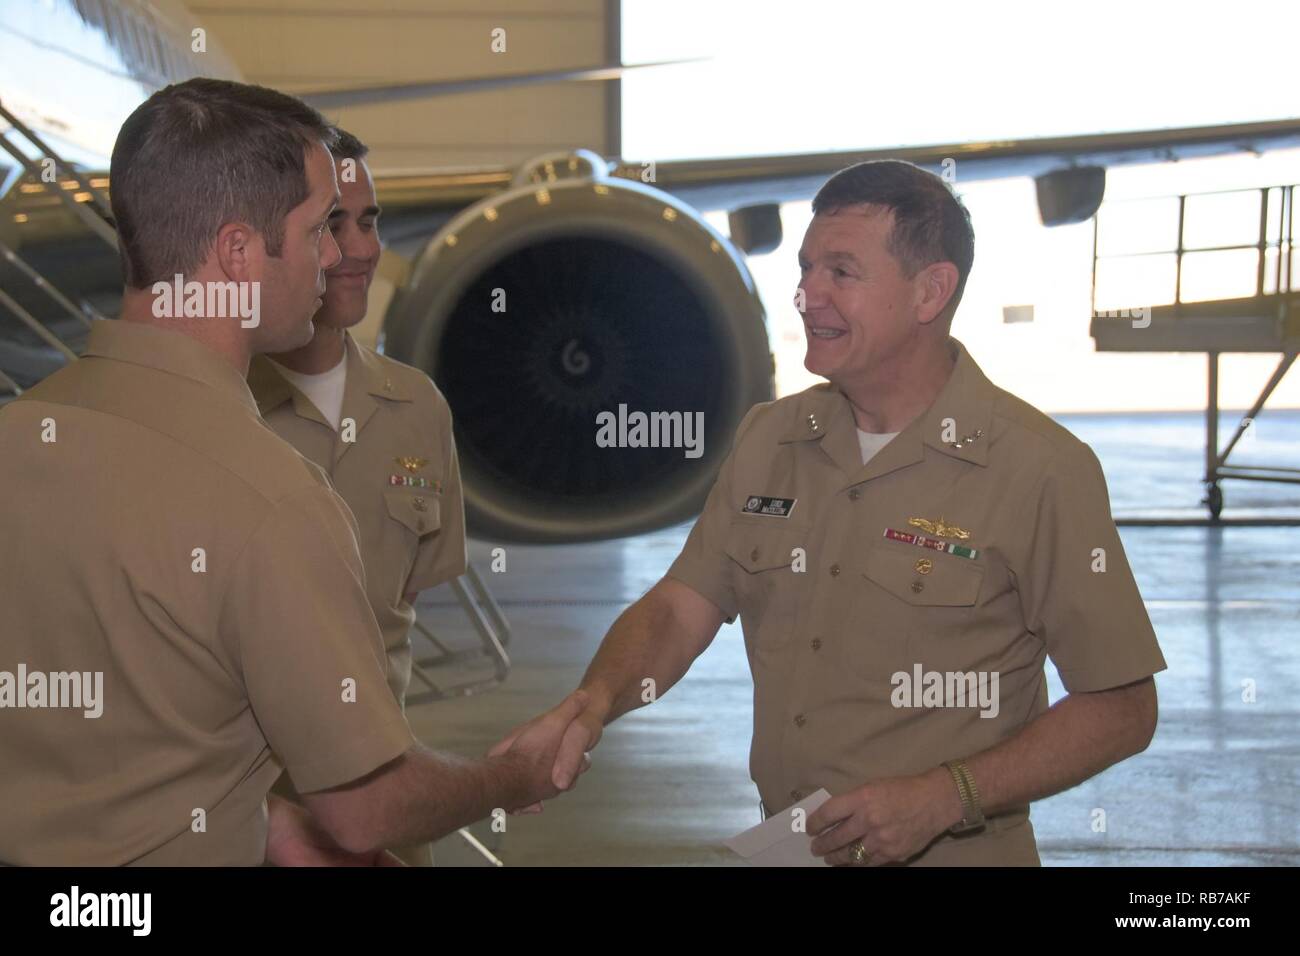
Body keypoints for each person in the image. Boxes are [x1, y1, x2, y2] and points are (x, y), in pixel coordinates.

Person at [495, 159, 1167, 866]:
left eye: (841, 273)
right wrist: (593, 703)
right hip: (794, 851)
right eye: (806, 268)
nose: (806, 295)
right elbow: (678, 610)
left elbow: (1123, 706)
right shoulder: (770, 438)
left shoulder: (1039, 469)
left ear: (930, 291)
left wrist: (948, 794)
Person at [0, 78, 583, 866]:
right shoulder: (270, 500)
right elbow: (366, 811)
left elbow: (139, 736)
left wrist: (266, 820)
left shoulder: (21, 434)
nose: (341, 255)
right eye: (317, 229)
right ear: (239, 252)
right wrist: (509, 778)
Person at [247, 127, 466, 866]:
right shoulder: (219, 410)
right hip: (250, 825)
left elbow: (403, 604)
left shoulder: (418, 408)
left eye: (369, 221)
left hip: (388, 819)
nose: (361, 250)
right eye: (331, 224)